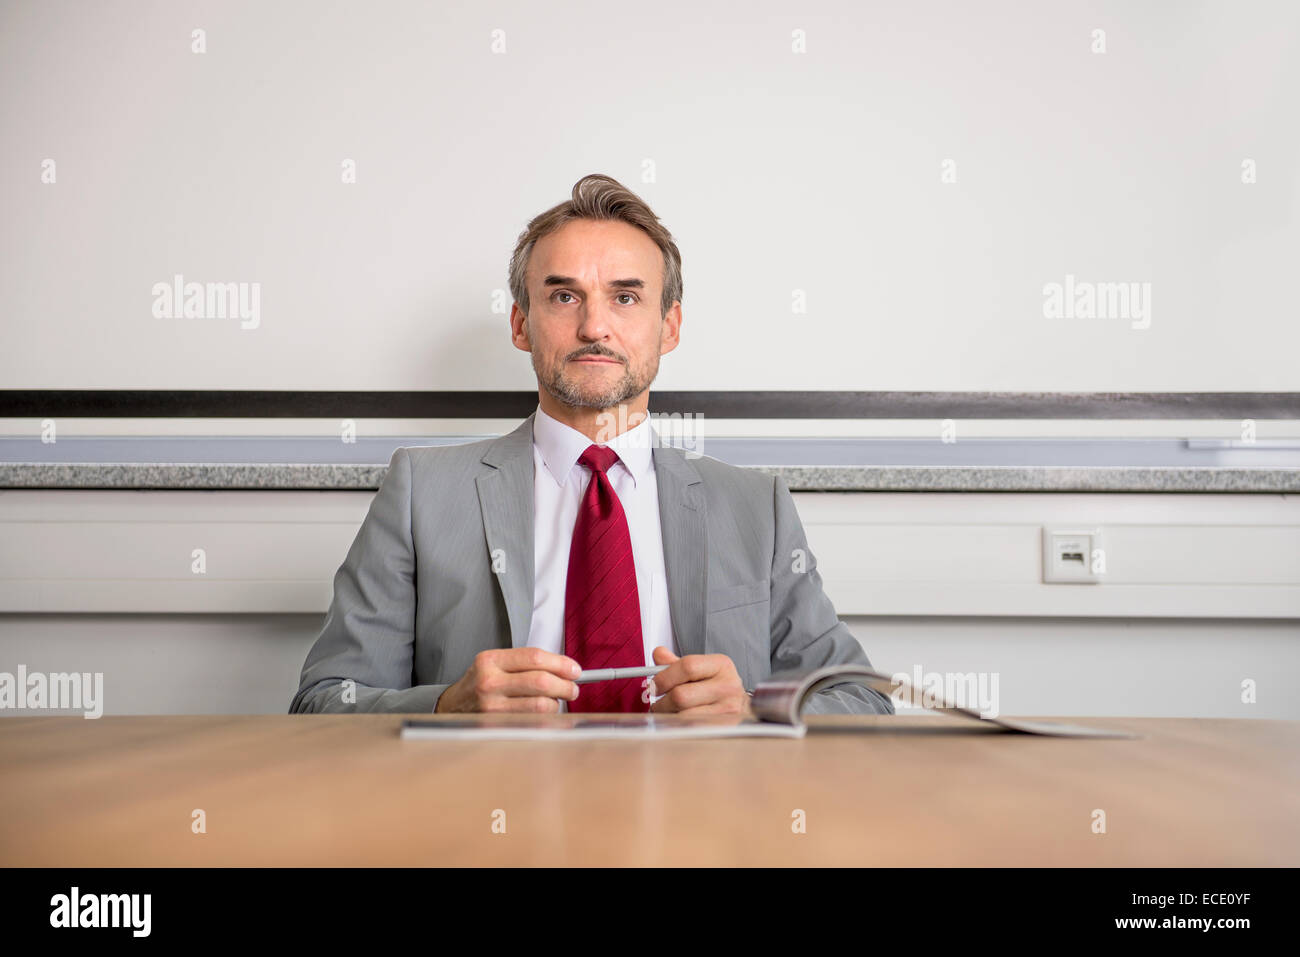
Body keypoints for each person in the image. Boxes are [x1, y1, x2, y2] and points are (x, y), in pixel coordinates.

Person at [290, 173, 894, 716]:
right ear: (521, 324)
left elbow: (862, 698)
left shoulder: (753, 506)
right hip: (494, 818)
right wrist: (447, 704)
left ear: (670, 326)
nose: (594, 327)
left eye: (626, 298)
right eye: (564, 296)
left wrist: (753, 709)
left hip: (699, 825)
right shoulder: (422, 493)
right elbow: (322, 701)